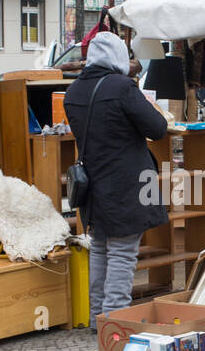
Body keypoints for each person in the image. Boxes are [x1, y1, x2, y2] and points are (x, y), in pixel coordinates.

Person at [63, 31, 169, 327]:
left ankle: (99, 317)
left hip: (93, 186)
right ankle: (116, 320)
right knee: (122, 252)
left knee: (99, 247)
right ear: (117, 57)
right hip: (126, 184)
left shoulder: (73, 93)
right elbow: (157, 128)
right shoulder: (122, 87)